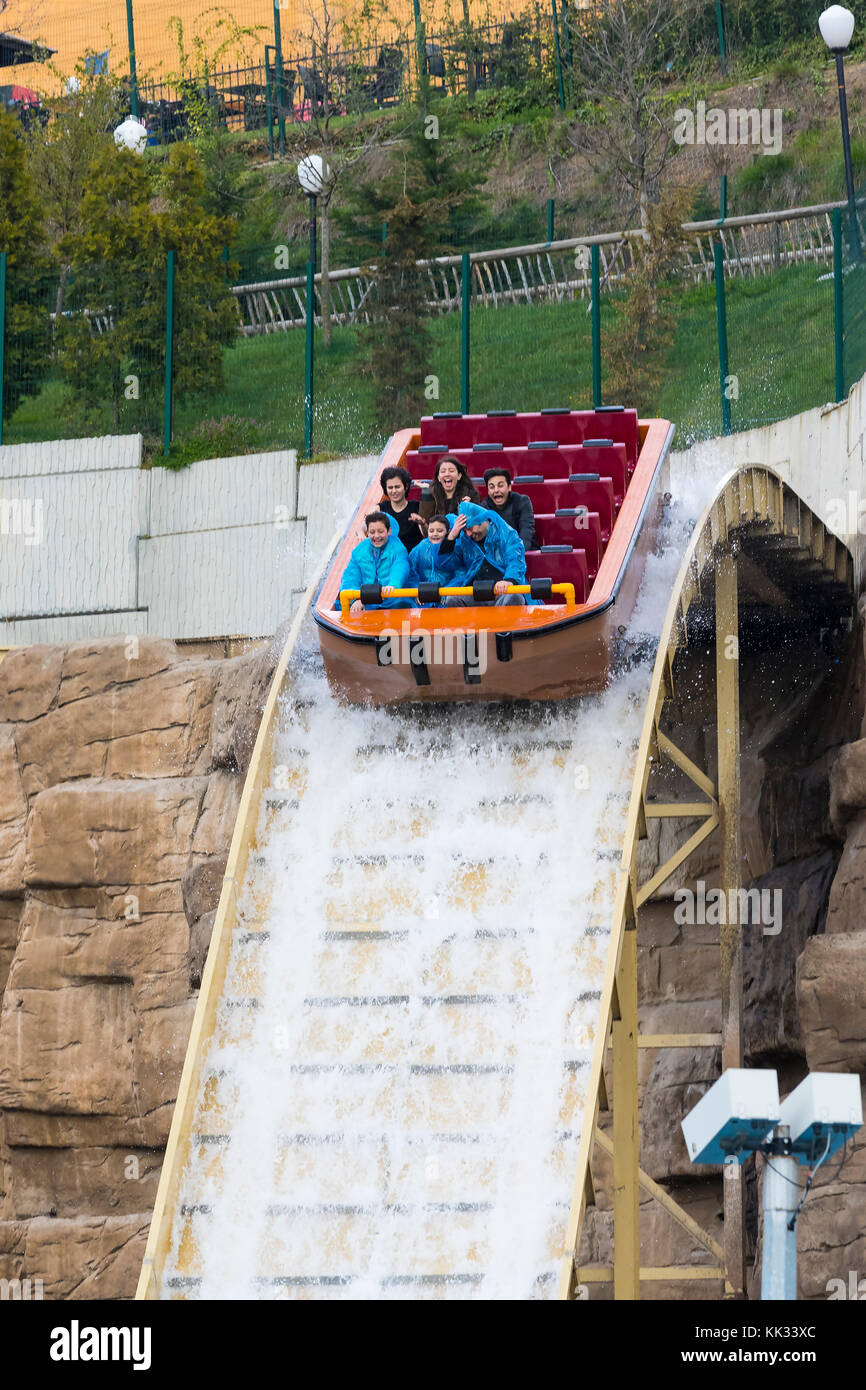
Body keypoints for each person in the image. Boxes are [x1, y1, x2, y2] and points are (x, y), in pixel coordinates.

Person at [443, 502, 538, 607]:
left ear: (481, 521)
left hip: (503, 592)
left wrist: (509, 580)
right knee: (452, 599)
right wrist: (450, 538)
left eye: (470, 528)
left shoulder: (506, 534)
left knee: (513, 597)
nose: (468, 534)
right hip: (476, 593)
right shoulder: (464, 539)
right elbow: (446, 564)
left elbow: (515, 559)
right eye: (465, 531)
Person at [336, 511, 411, 613]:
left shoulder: (398, 549)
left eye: (380, 531)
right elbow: (351, 577)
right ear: (367, 532)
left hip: (392, 599)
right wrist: (356, 599)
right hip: (366, 601)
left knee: (404, 604)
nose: (376, 536)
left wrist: (393, 585)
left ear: (389, 531)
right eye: (372, 532)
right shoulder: (359, 551)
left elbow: (400, 567)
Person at [408, 513, 484, 599]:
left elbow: (460, 574)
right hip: (424, 600)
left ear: (448, 532)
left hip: (447, 600)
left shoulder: (455, 549)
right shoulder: (420, 548)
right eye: (431, 531)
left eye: (439, 531)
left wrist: (446, 592)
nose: (435, 534)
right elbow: (412, 573)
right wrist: (416, 593)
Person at [481, 466, 537, 551]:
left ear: (509, 487)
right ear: (488, 491)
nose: (496, 490)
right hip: (497, 556)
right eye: (492, 487)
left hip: (522, 553)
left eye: (500, 485)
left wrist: (516, 553)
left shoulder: (522, 501)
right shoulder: (484, 508)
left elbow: (527, 531)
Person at [379, 465, 426, 552]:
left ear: (406, 487)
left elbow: (427, 534)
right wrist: (360, 532)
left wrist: (422, 524)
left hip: (413, 555)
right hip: (392, 556)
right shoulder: (382, 508)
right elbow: (364, 524)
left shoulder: (416, 506)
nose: (394, 491)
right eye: (390, 488)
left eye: (397, 487)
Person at [421, 455, 480, 519]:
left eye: (451, 471)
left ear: (459, 476)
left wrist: (469, 508)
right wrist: (426, 493)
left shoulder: (471, 495)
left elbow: (477, 523)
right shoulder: (431, 495)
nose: (447, 474)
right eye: (443, 471)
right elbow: (425, 522)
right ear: (438, 478)